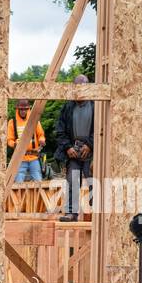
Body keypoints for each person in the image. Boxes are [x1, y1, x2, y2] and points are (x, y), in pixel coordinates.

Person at [54, 75, 94, 222]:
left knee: (94, 181)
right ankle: (71, 213)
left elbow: (102, 128)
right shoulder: (69, 106)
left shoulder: (96, 104)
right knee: (72, 180)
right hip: (74, 150)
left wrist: (90, 145)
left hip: (92, 152)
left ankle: (97, 214)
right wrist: (67, 147)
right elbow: (60, 130)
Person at [7, 99, 46, 182]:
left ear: (28, 109)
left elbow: (41, 135)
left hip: (34, 157)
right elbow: (9, 140)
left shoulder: (34, 121)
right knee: (18, 183)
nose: (23, 111)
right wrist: (14, 144)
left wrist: (41, 140)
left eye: (25, 109)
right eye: (21, 109)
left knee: (38, 181)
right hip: (20, 158)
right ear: (17, 109)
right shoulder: (12, 122)